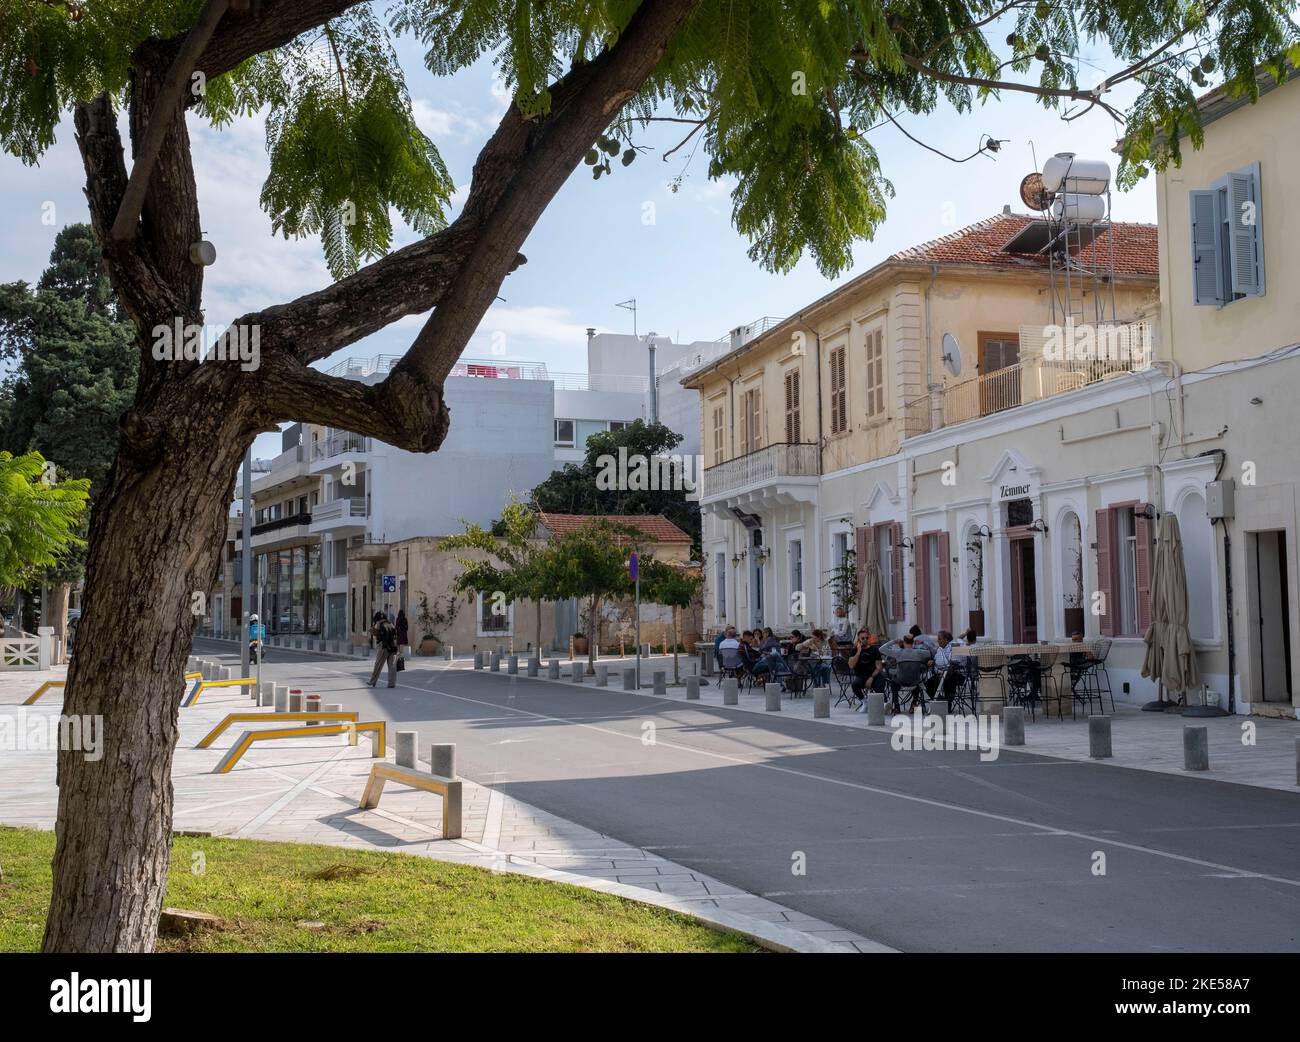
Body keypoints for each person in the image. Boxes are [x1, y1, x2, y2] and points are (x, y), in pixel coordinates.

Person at [881, 632, 935, 710]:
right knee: (917, 681)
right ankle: (914, 702)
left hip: (901, 681)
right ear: (913, 642)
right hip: (914, 681)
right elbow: (934, 651)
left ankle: (896, 705)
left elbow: (881, 649)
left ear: (904, 642)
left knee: (893, 681)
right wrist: (923, 643)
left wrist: (894, 641)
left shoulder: (898, 652)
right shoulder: (919, 652)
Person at [849, 629, 884, 709]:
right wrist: (858, 652)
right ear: (858, 639)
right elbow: (851, 665)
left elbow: (879, 667)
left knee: (881, 683)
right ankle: (864, 702)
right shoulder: (854, 650)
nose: (865, 640)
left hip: (873, 675)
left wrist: (871, 677)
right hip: (861, 675)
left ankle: (881, 704)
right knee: (855, 685)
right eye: (863, 638)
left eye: (867, 638)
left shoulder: (874, 650)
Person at [368, 610, 399, 688]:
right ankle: (392, 683)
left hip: (384, 646)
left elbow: (376, 635)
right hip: (393, 646)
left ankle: (373, 681)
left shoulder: (378, 623)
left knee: (378, 664)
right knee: (392, 666)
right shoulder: (390, 623)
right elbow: (395, 634)